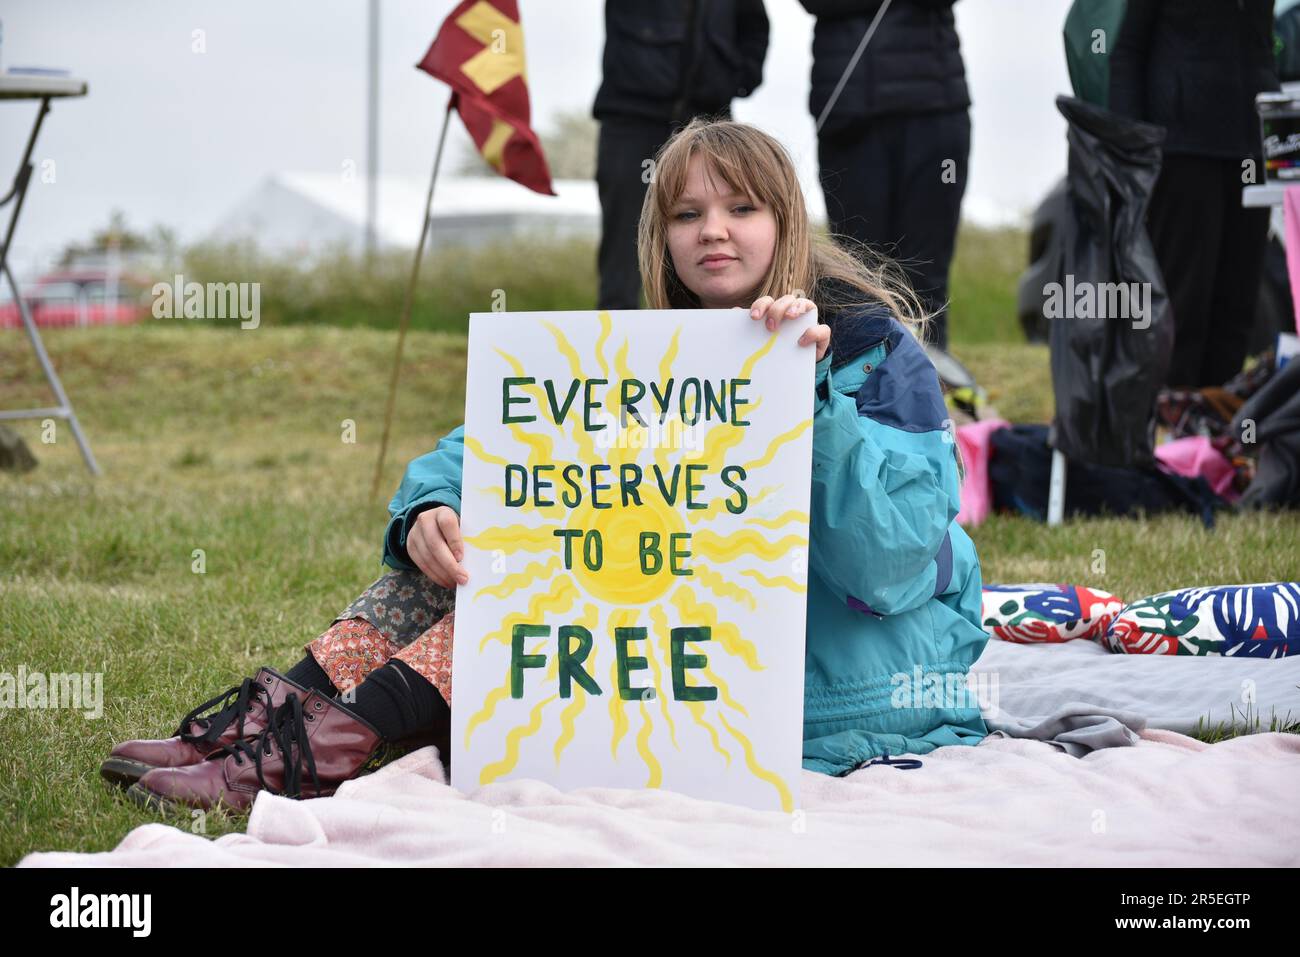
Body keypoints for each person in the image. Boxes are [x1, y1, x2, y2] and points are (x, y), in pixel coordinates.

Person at [108, 119, 988, 814]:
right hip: (694, 639)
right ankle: (277, 719)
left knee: (547, 589)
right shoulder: (652, 352)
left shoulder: (872, 348)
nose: (713, 231)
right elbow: (503, 440)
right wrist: (434, 504)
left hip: (846, 676)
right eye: (686, 213)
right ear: (662, 236)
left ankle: (318, 750)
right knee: (480, 555)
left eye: (742, 208)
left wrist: (802, 396)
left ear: (786, 219)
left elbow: (892, 565)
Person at [1108, 0, 1279, 388]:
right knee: (1184, 304)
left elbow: (1264, 43)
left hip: (1251, 145)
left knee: (1237, 306)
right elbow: (1127, 51)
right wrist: (1134, 153)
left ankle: (1219, 427)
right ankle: (1173, 425)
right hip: (1183, 148)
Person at [800, 0, 971, 351]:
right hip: (849, 115)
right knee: (857, 271)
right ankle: (859, 389)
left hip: (934, 109)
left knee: (927, 274)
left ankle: (927, 390)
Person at [594, 0, 769, 311]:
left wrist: (738, 77)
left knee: (715, 223)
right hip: (632, 117)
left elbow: (754, 27)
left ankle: (724, 327)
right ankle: (613, 335)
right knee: (624, 236)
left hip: (708, 115)